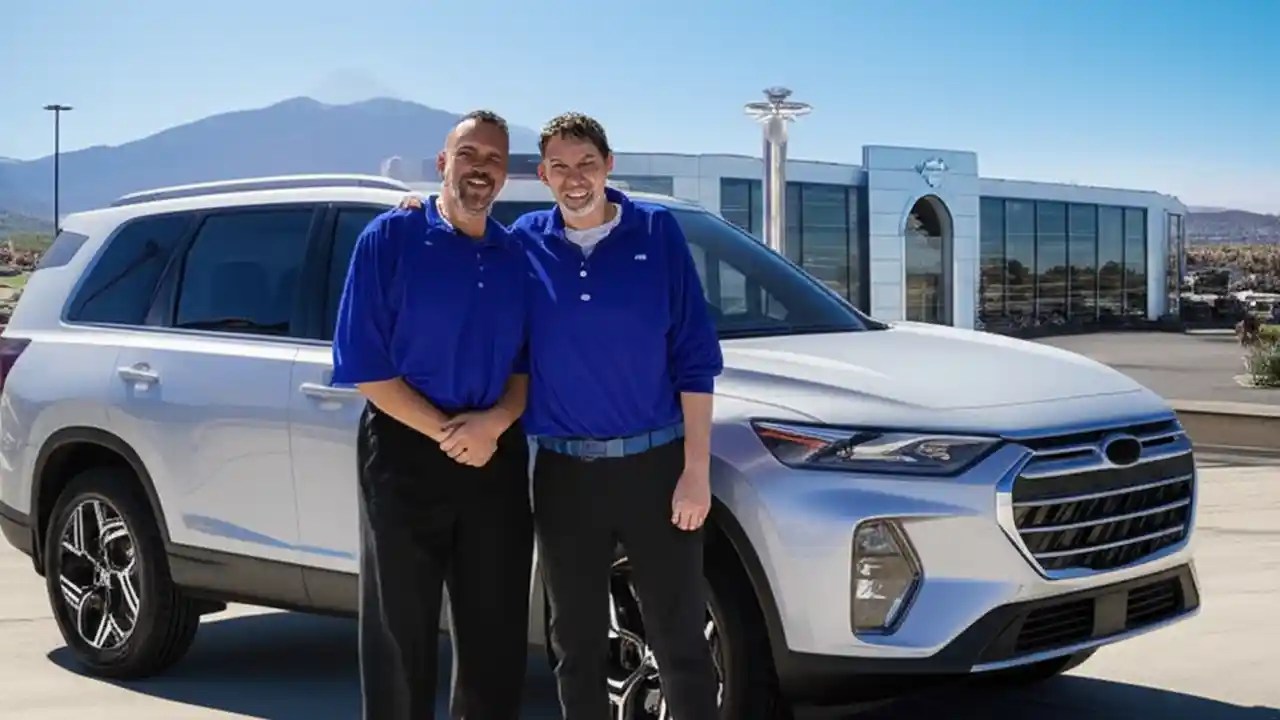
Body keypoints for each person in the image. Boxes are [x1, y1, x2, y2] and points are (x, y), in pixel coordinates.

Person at [514, 112, 724, 720]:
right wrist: (414, 211)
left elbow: (694, 357)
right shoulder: (525, 240)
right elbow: (459, 242)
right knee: (575, 645)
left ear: (609, 165)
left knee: (680, 639)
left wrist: (696, 471)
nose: (574, 178)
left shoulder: (657, 233)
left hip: (656, 469)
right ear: (543, 174)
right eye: (560, 166)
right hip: (563, 474)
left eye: (586, 164)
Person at [332, 109, 533, 720]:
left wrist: (492, 425)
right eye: (469, 154)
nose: (481, 167)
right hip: (403, 451)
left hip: (495, 452)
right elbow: (365, 366)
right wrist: (451, 434)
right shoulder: (390, 239)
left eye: (494, 158)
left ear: (504, 175)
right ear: (444, 163)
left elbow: (526, 368)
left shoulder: (515, 255)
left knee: (495, 634)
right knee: (400, 633)